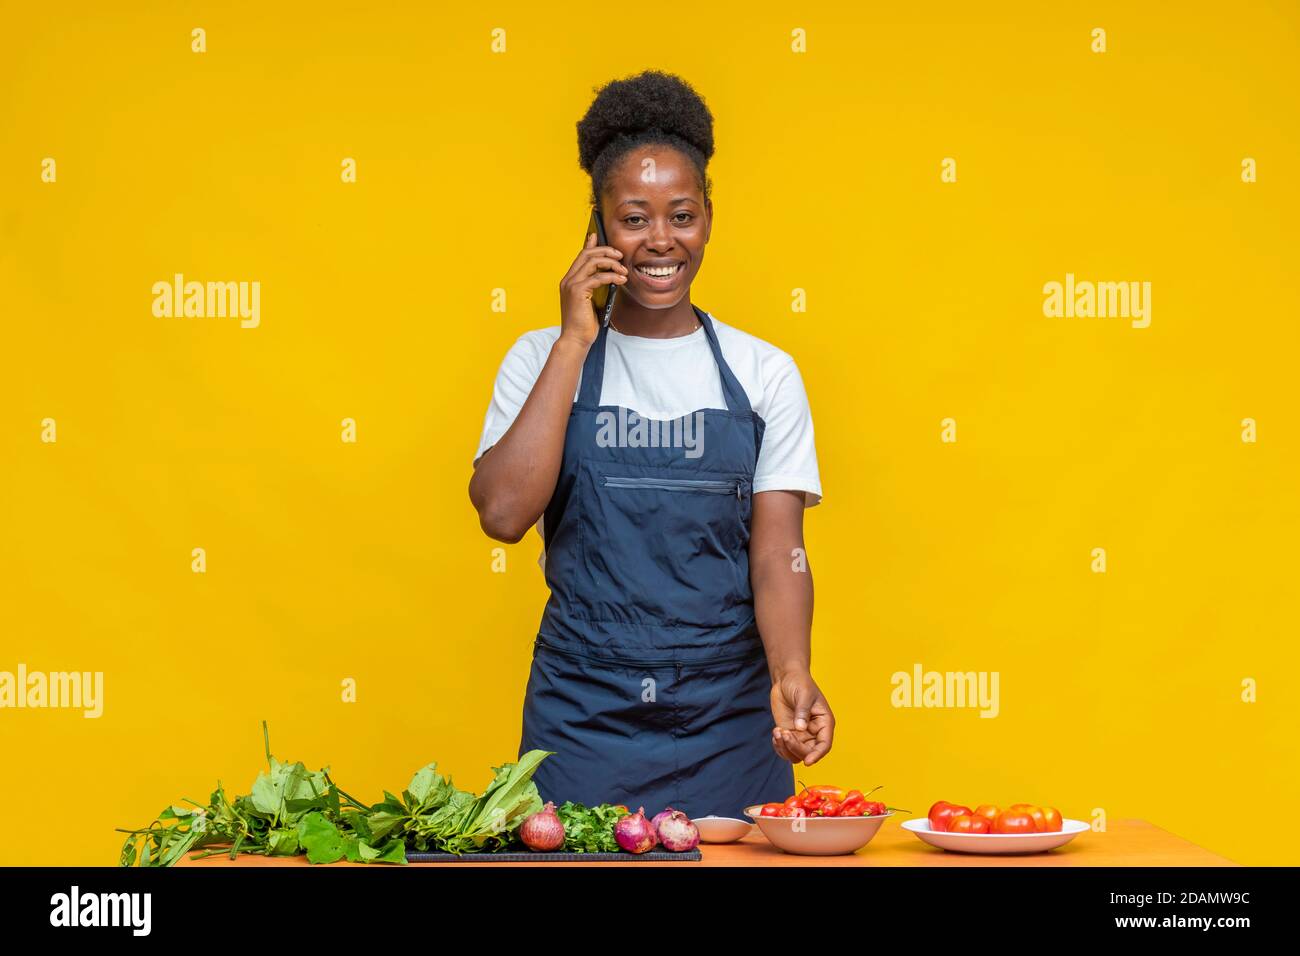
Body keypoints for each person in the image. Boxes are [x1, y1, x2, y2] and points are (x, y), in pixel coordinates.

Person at [469, 70, 832, 819]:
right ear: (596, 226)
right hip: (582, 719)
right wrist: (575, 338)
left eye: (682, 215)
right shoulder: (539, 360)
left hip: (729, 719)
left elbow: (777, 553)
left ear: (709, 218)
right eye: (634, 218)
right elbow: (503, 514)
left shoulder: (765, 373)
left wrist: (791, 671)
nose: (661, 240)